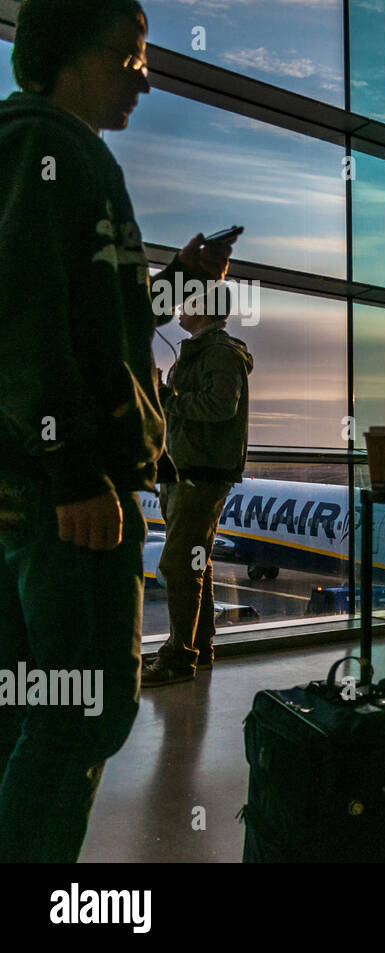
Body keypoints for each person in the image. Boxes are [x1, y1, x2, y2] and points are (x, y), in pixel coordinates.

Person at [0, 0, 234, 861]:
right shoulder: (50, 147)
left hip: (43, 488)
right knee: (84, 713)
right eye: (129, 58)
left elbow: (105, 318)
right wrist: (73, 475)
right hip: (74, 497)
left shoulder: (52, 153)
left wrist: (177, 277)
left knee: (31, 708)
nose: (145, 76)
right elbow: (22, 319)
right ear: (66, 53)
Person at [141, 294, 253, 686]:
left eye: (186, 304)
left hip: (199, 474)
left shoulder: (219, 354)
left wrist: (168, 396)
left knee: (177, 565)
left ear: (202, 311)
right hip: (190, 471)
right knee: (193, 561)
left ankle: (178, 658)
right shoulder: (206, 352)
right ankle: (197, 648)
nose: (179, 310)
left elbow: (221, 406)